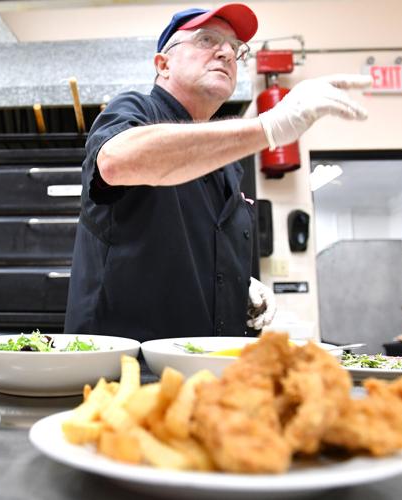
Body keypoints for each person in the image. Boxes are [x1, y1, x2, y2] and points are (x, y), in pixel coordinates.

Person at [64, 3, 371, 342]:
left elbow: (191, 252)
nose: (226, 52)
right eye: (207, 39)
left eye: (235, 48)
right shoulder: (134, 110)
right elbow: (117, 161)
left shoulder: (227, 166)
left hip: (204, 369)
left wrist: (238, 285)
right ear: (163, 64)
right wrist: (267, 126)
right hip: (126, 372)